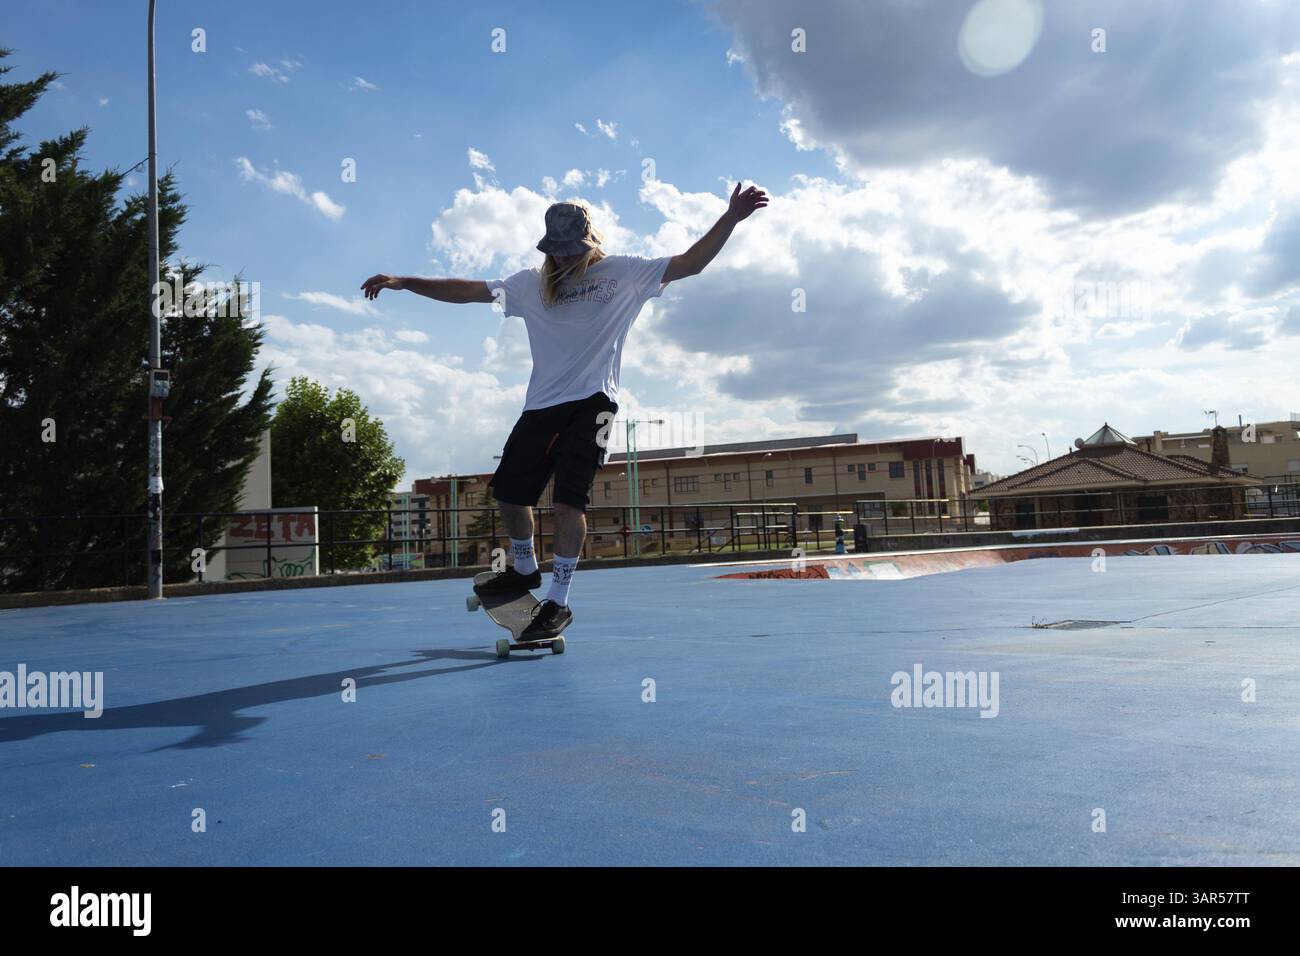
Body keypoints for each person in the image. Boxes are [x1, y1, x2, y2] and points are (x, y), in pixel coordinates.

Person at [361, 183, 768, 638]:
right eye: (557, 251)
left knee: (567, 501)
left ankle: (558, 601)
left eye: (573, 250)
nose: (565, 258)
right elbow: (469, 291)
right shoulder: (530, 285)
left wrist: (731, 217)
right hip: (541, 405)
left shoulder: (624, 274)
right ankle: (524, 568)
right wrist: (405, 282)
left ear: (590, 243)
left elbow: (690, 263)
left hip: (593, 402)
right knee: (510, 495)